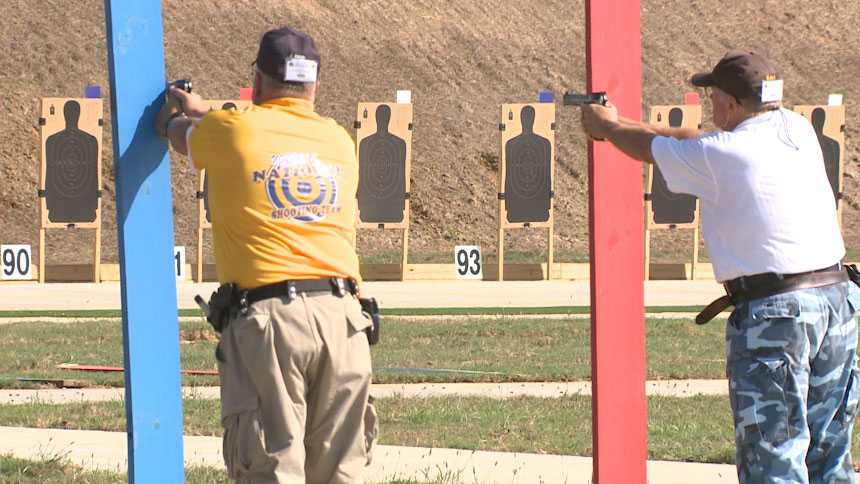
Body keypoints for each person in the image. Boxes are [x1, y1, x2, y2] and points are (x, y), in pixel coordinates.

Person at [581, 50, 860, 483]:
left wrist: (608, 129)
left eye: (713, 97)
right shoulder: (795, 129)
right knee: (827, 456)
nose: (711, 107)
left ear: (729, 104)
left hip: (777, 314)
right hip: (836, 302)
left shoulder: (725, 153)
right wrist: (625, 122)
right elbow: (691, 139)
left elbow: (658, 149)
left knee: (774, 457)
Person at [154, 27, 377, 484]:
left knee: (272, 468)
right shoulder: (338, 141)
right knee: (342, 473)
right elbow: (266, 127)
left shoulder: (230, 131)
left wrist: (175, 112)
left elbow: (175, 133)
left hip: (273, 321)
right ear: (314, 84)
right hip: (347, 321)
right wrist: (212, 111)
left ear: (256, 80)